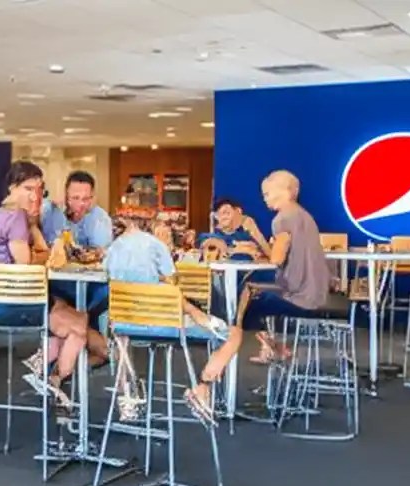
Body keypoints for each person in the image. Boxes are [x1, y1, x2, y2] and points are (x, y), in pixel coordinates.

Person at [188, 170, 333, 411]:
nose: (264, 198)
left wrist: (252, 243)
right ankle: (275, 348)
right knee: (247, 303)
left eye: (267, 193)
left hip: (298, 296)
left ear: (284, 191)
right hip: (316, 295)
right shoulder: (305, 217)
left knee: (235, 314)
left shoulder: (282, 219)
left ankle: (206, 382)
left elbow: (275, 259)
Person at [0, 161, 107, 407]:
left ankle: (46, 367)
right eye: (28, 189)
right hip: (15, 303)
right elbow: (27, 261)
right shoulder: (15, 217)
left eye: (39, 190)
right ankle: (52, 379)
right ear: (12, 188)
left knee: (73, 315)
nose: (35, 196)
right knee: (79, 327)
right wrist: (45, 250)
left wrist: (33, 226)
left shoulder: (2, 214)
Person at [105, 213, 230, 423]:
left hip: (125, 323)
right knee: (231, 333)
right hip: (166, 323)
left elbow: (107, 275)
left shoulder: (114, 248)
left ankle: (129, 394)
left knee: (118, 335)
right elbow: (172, 283)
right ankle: (202, 387)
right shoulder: (157, 248)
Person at [46, 171, 116, 319]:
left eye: (86, 199)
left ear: (92, 197)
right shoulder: (54, 213)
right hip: (58, 283)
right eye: (75, 198)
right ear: (66, 196)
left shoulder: (100, 219)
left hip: (91, 284)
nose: (81, 204)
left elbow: (101, 252)